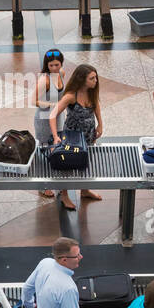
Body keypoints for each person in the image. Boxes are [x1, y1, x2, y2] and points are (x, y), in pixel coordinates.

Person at [48, 63, 103, 206]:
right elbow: (52, 115)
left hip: (88, 135)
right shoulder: (71, 96)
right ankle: (64, 194)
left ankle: (84, 190)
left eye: (95, 78)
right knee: (67, 164)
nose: (95, 81)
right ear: (82, 79)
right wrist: (55, 136)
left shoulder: (91, 92)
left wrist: (100, 124)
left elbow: (96, 105)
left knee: (86, 161)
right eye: (92, 78)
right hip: (73, 137)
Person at [34, 48, 65, 197]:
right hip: (44, 118)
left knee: (57, 148)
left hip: (58, 116)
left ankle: (57, 181)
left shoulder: (62, 74)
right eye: (51, 65)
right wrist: (51, 105)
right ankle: (43, 184)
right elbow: (35, 101)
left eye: (57, 65)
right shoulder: (44, 80)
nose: (54, 68)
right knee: (44, 151)